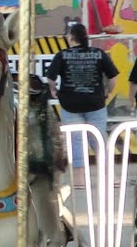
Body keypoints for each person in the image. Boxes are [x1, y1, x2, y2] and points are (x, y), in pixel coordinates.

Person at [48, 21, 118, 153]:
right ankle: (104, 166)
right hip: (95, 103)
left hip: (70, 105)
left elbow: (51, 78)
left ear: (72, 37)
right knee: (99, 143)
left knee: (76, 145)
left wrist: (54, 90)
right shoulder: (99, 53)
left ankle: (80, 168)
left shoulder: (62, 55)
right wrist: (108, 92)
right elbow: (113, 77)